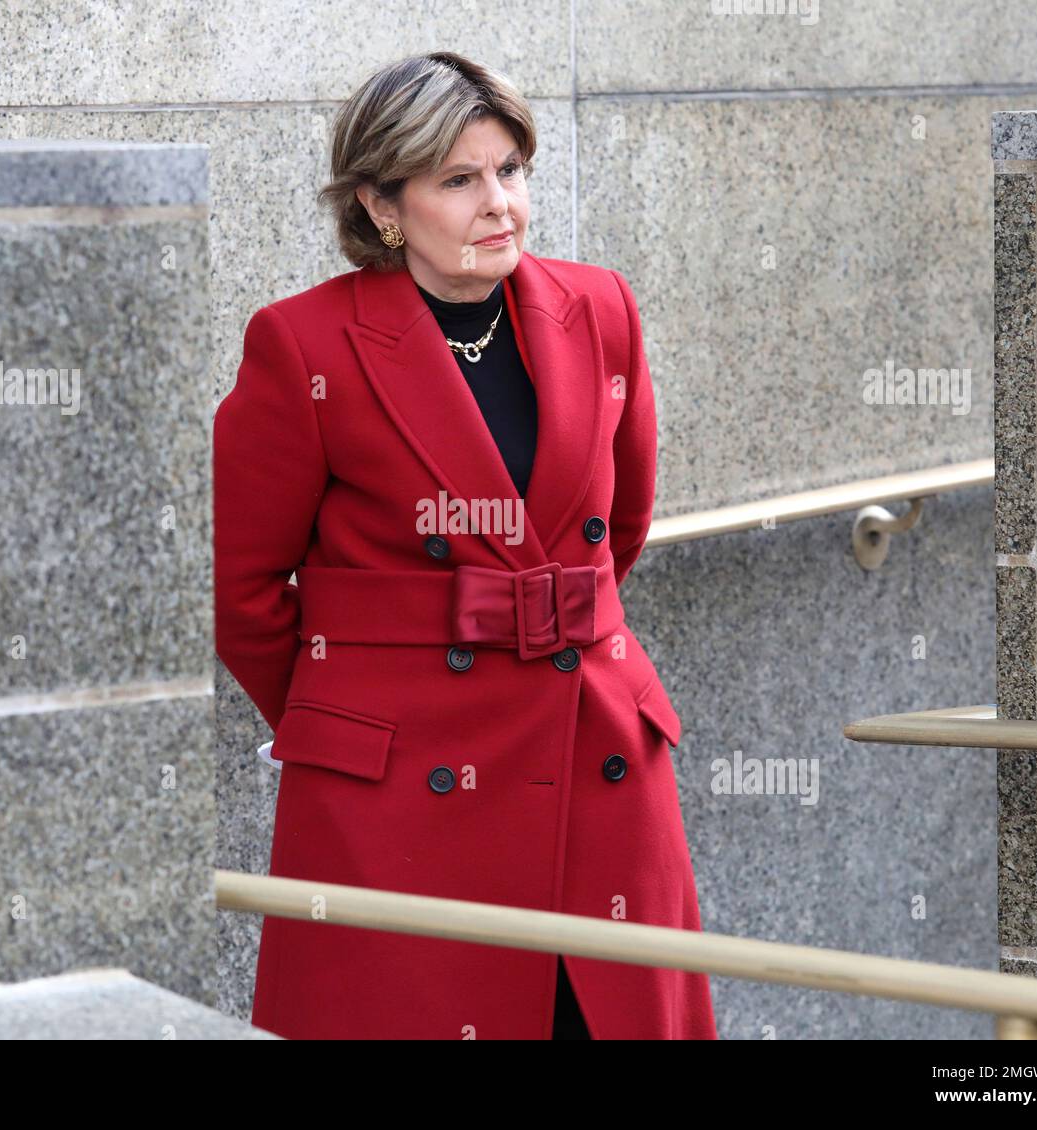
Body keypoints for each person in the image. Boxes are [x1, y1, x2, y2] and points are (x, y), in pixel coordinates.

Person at [214, 50, 718, 1040]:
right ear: (382, 204)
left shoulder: (599, 308)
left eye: (510, 171)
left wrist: (542, 629)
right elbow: (241, 590)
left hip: (595, 751)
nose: (499, 204)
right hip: (400, 796)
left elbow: (614, 531)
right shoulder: (303, 345)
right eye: (458, 180)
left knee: (600, 1017)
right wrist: (351, 723)